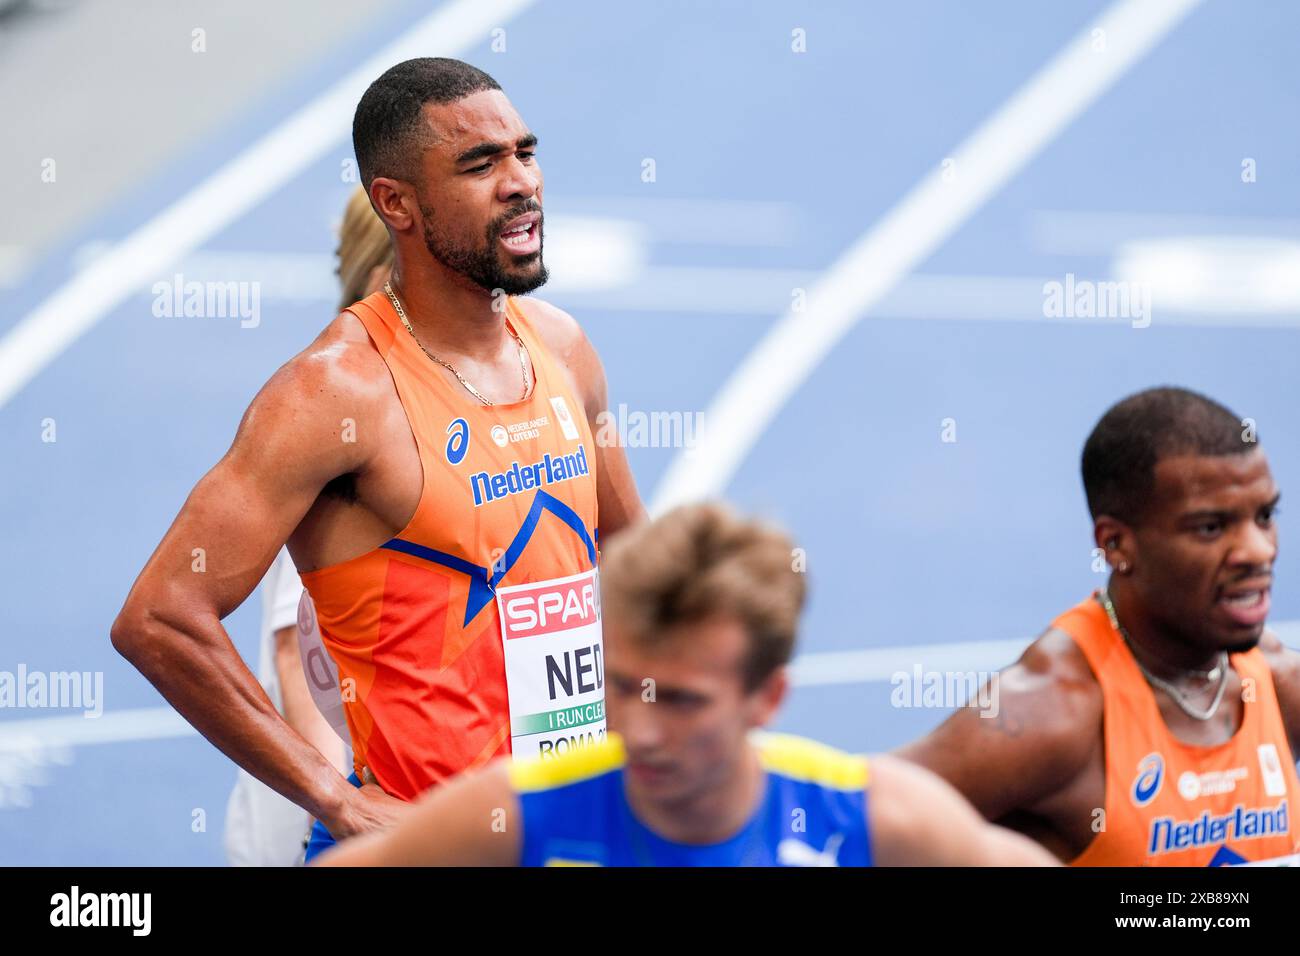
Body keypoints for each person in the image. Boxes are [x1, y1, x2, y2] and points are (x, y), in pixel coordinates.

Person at [111, 57, 644, 858]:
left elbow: (633, 559)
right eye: (480, 164)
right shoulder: (335, 396)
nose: (520, 183)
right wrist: (334, 797)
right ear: (395, 202)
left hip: (573, 829)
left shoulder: (565, 351)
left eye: (525, 154)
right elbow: (158, 617)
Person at [318, 503, 1055, 866]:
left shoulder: (876, 821)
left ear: (766, 700)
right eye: (622, 685)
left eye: (680, 700)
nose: (638, 729)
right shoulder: (516, 814)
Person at [898, 386, 1300, 865]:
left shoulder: (1278, 687)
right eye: (1211, 527)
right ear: (1116, 545)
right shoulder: (1051, 715)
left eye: (1264, 516)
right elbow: (844, 822)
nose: (1258, 551)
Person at [223, 186, 390, 866]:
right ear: (381, 277)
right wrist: (343, 807)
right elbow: (297, 651)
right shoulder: (340, 419)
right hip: (317, 834)